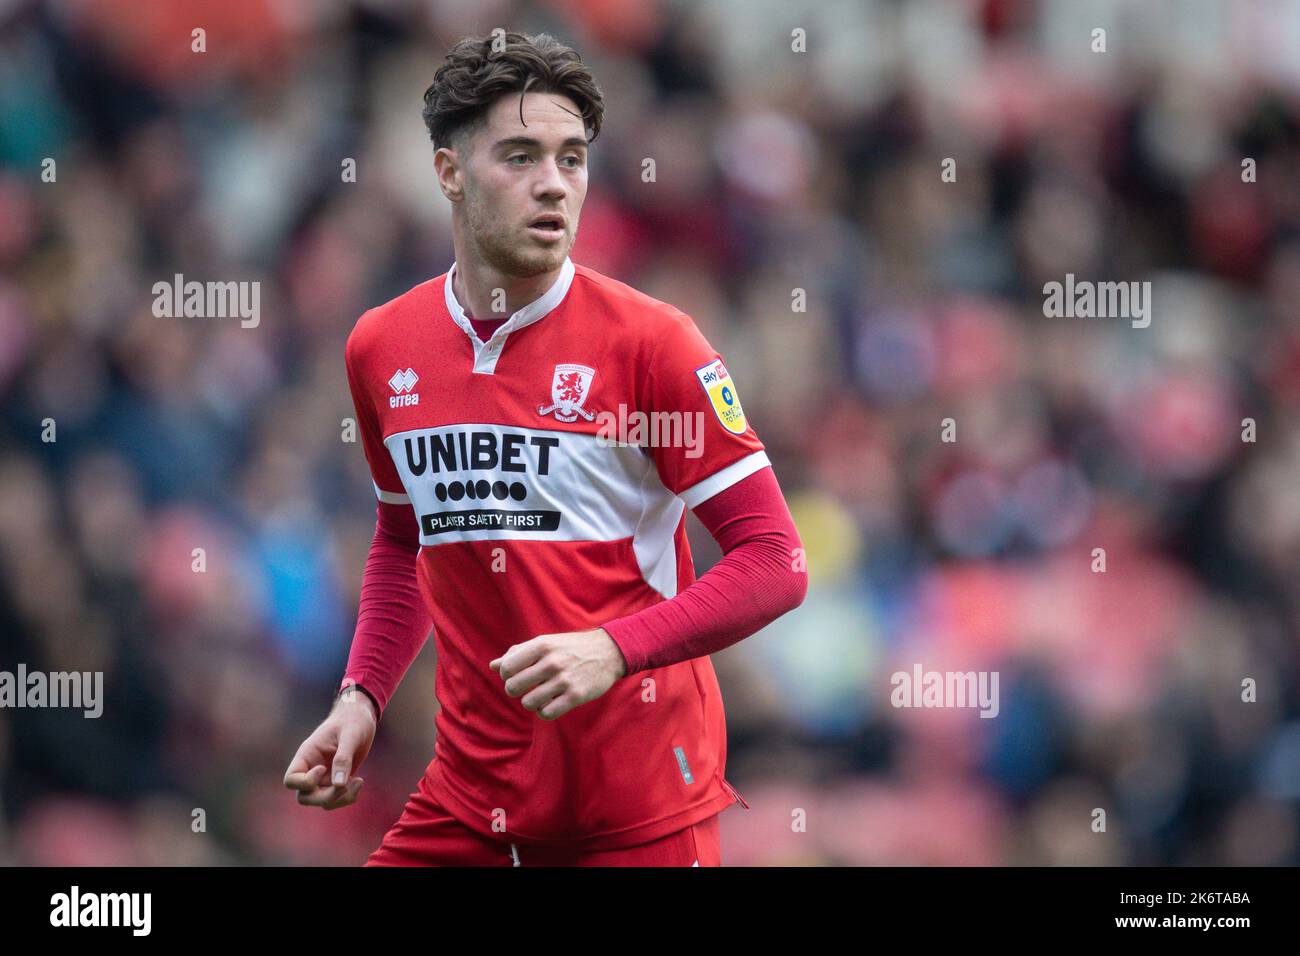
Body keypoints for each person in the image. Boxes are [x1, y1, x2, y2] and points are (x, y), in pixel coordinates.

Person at [283, 30, 807, 866]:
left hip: (636, 813)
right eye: (520, 157)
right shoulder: (381, 347)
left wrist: (614, 647)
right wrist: (363, 696)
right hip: (468, 801)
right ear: (449, 172)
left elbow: (776, 560)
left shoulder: (655, 344)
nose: (553, 185)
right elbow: (404, 540)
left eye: (571, 159)